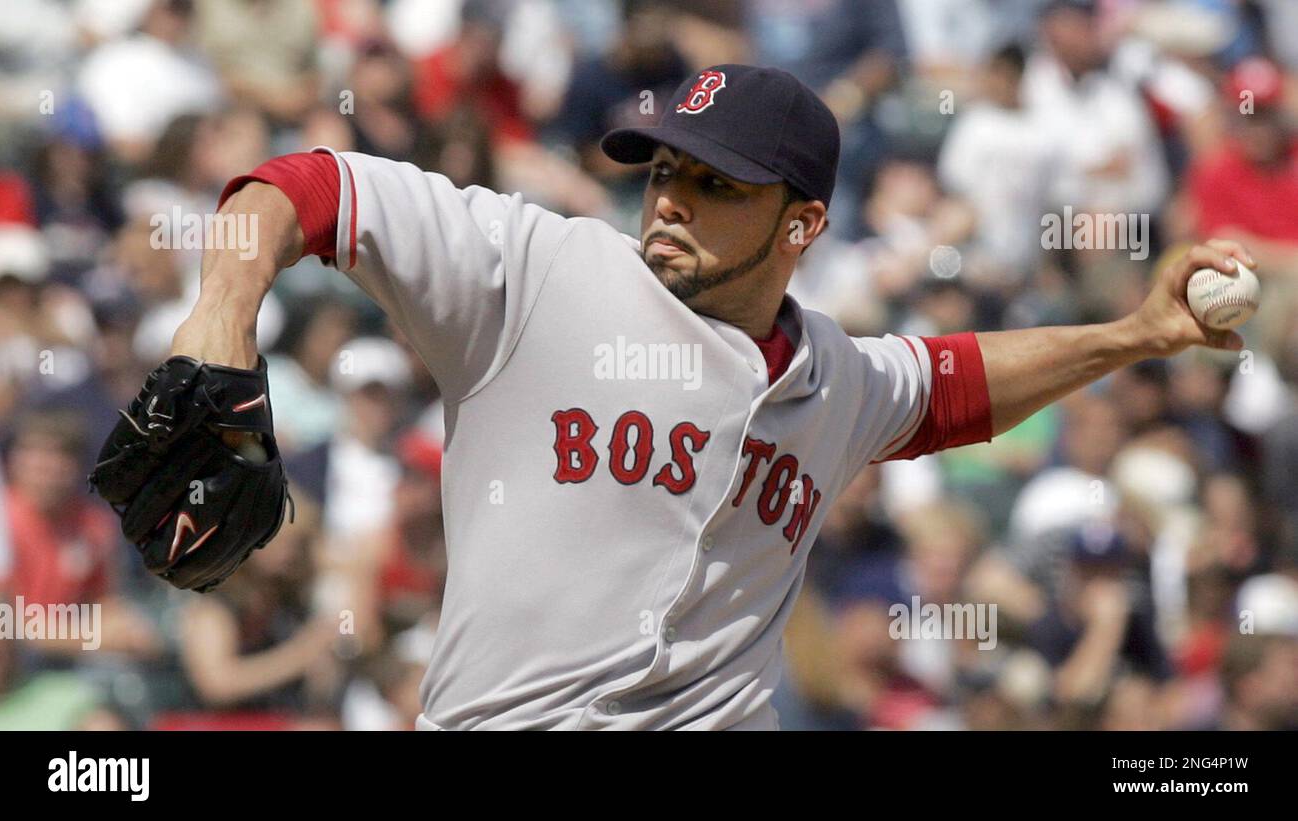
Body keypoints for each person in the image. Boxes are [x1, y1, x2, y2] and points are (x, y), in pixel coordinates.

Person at [165, 62, 1252, 730]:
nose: (673, 201)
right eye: (666, 171)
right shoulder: (539, 271)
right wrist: (220, 317)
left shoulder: (838, 374)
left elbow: (955, 387)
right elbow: (308, 186)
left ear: (801, 226)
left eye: (716, 183)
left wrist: (1135, 333)